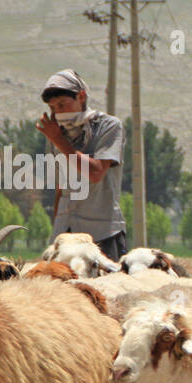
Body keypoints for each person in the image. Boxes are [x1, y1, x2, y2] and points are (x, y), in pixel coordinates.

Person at [37, 69, 127, 261]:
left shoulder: (109, 126)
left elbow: (96, 173)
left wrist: (59, 141)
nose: (58, 112)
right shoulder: (56, 134)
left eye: (62, 104)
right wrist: (57, 229)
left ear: (81, 96)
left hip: (102, 232)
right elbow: (61, 188)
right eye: (53, 108)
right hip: (65, 233)